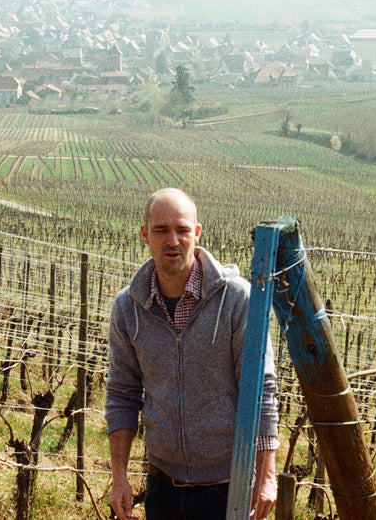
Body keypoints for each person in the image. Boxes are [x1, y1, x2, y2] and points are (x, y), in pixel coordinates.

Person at [106, 187, 279, 520]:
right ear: (145, 235)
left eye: (182, 230)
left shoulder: (237, 300)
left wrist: (267, 475)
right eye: (161, 230)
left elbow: (261, 391)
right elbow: (121, 395)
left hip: (228, 485)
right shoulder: (127, 308)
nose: (173, 241)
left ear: (197, 233)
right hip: (162, 485)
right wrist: (119, 478)